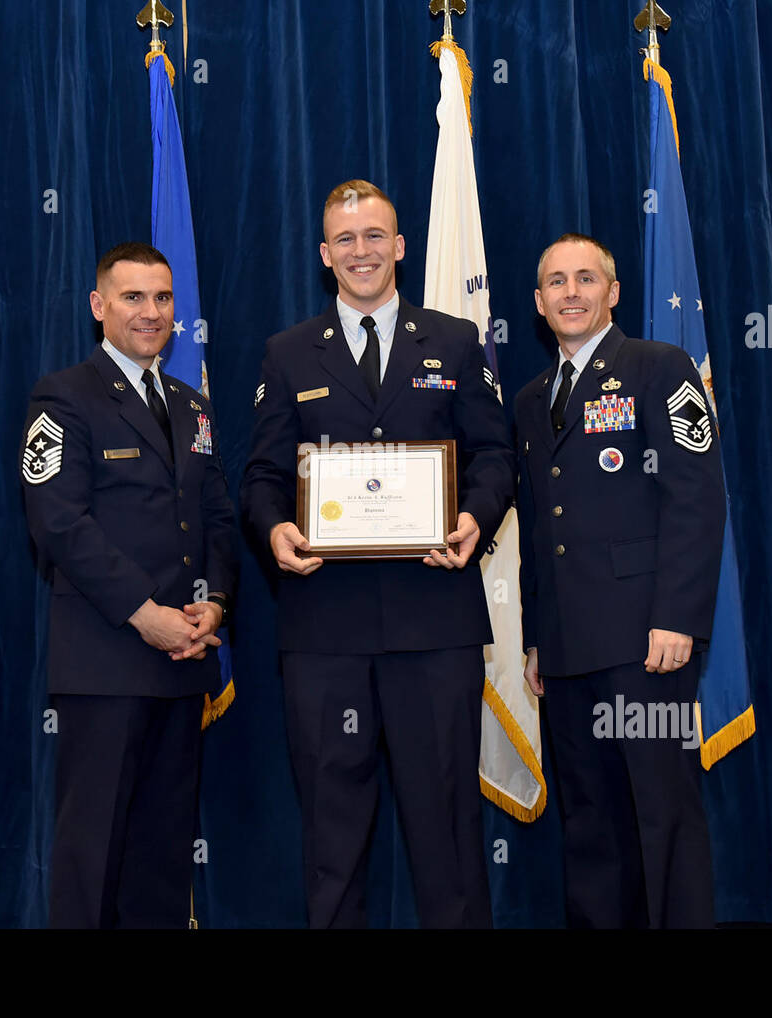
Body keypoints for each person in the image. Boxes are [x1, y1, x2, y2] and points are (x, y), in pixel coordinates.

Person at [240, 179, 514, 928]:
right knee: (332, 837)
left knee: (450, 837)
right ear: (326, 256)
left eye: (375, 236)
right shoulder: (288, 353)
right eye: (346, 240)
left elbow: (495, 457)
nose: (362, 252)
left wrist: (472, 518)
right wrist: (273, 532)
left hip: (435, 627)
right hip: (325, 631)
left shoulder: (456, 340)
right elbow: (262, 476)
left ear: (400, 245)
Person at [20, 242, 237, 928]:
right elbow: (59, 523)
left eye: (163, 298)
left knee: (162, 859)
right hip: (108, 661)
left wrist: (215, 604)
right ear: (98, 306)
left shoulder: (191, 405)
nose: (151, 313)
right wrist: (145, 614)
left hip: (182, 663)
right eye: (133, 297)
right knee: (93, 855)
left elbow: (218, 519)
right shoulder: (65, 396)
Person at [514, 233, 726, 928]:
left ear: (613, 291)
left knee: (660, 810)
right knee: (589, 820)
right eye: (555, 282)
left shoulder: (659, 369)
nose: (570, 292)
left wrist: (678, 617)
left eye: (585, 278)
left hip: (646, 640)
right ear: (539, 302)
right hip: (570, 649)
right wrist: (537, 637)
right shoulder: (531, 399)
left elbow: (696, 499)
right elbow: (541, 530)